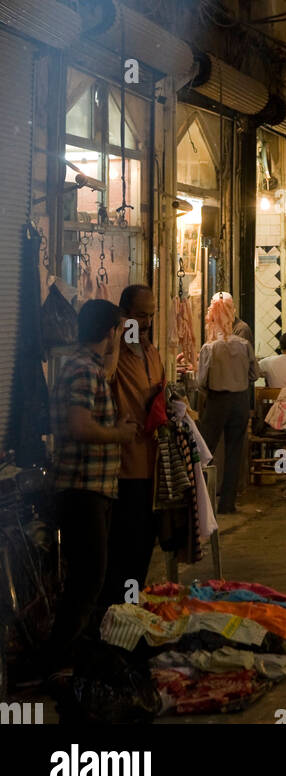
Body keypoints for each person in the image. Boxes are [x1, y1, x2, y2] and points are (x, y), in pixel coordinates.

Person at [46, 300, 137, 672]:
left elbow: (108, 370)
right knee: (89, 577)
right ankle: (57, 657)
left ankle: (68, 652)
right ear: (110, 331)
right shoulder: (83, 371)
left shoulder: (91, 367)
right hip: (82, 489)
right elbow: (79, 426)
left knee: (88, 576)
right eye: (118, 329)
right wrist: (119, 434)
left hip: (95, 489)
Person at [101, 284, 164, 608]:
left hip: (152, 465)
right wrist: (118, 338)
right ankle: (119, 612)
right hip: (124, 469)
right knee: (124, 548)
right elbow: (104, 378)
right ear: (124, 315)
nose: (147, 322)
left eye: (151, 315)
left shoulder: (151, 352)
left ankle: (132, 607)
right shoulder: (114, 353)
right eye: (140, 315)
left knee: (143, 546)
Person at [196, 292, 256, 514]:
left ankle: (200, 502)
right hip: (240, 400)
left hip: (217, 400)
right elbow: (254, 373)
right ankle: (227, 503)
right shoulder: (243, 344)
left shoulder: (209, 348)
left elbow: (201, 382)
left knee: (204, 450)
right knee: (234, 452)